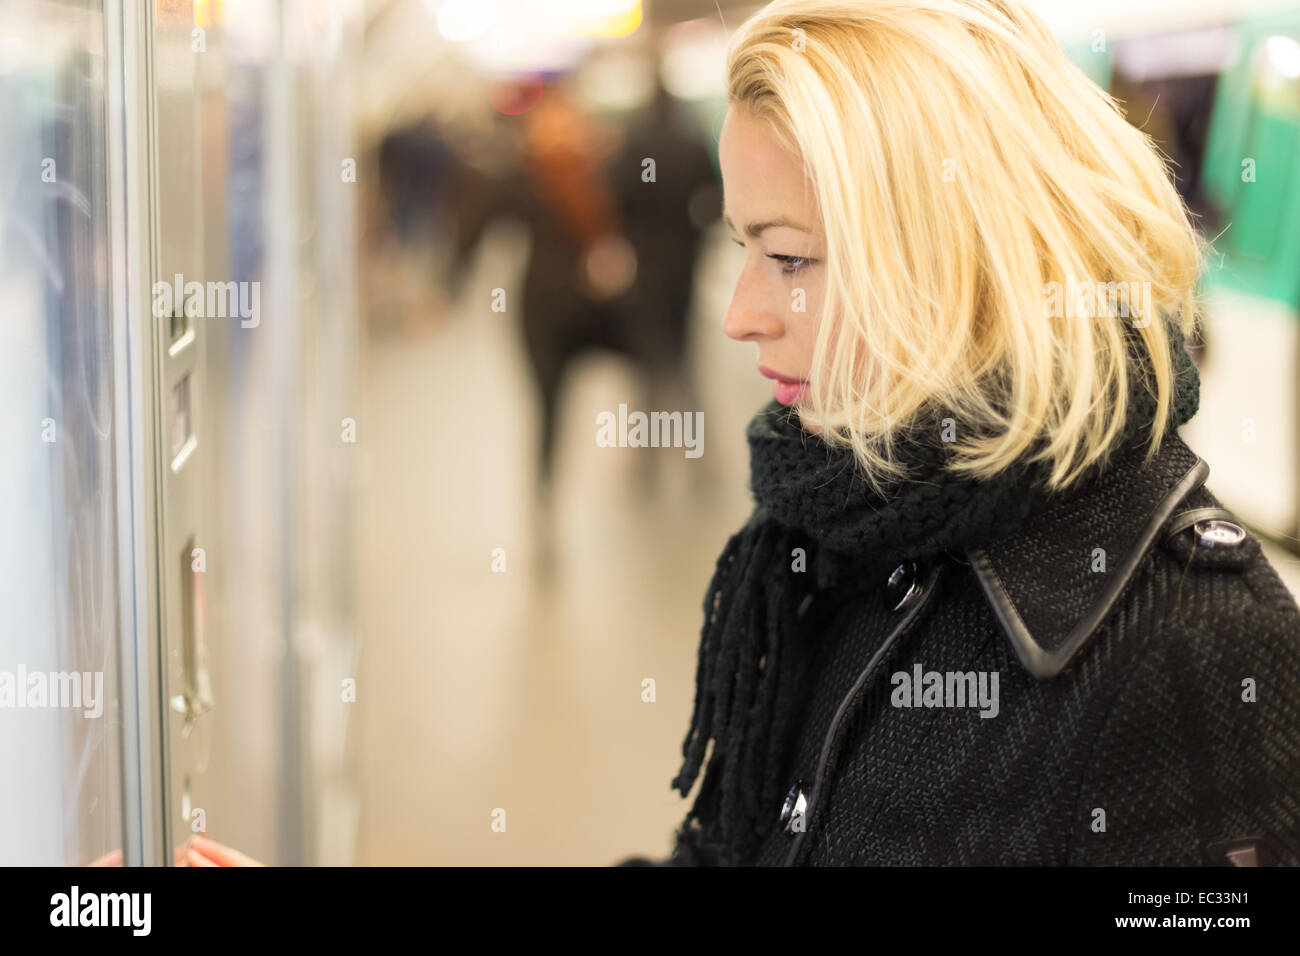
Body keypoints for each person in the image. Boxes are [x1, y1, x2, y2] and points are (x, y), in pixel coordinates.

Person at [191, 0, 1300, 868]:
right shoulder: (835, 525)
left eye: (791, 257)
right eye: (743, 249)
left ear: (956, 255)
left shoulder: (1200, 644)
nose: (740, 313)